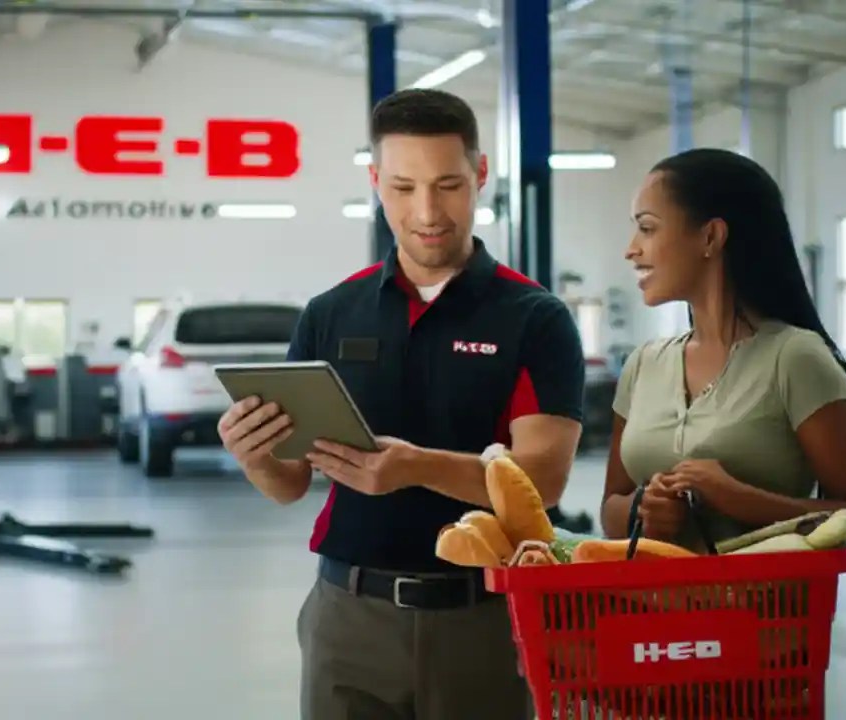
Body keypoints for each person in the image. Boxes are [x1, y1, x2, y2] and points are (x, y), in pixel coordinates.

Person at [216, 88, 586, 719]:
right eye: (402, 187)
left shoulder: (535, 319)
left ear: (480, 176)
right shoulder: (332, 313)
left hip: (486, 620)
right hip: (348, 618)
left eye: (448, 185)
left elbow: (543, 481)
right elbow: (287, 484)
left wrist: (414, 467)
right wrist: (253, 456)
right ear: (375, 181)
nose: (427, 211)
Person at [601, 148, 846, 551]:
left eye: (647, 229)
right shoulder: (643, 364)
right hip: (652, 612)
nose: (631, 249)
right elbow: (611, 507)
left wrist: (741, 500)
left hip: (764, 610)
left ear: (710, 236)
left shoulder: (795, 359)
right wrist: (642, 510)